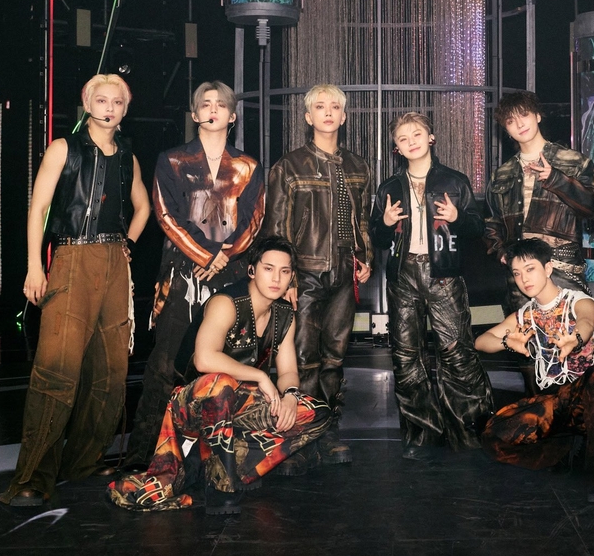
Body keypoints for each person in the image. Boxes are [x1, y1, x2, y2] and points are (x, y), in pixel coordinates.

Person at [0, 74, 151, 507]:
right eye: (101, 100)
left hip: (114, 264)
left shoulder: (128, 157)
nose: (109, 108)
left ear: (125, 109)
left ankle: (84, 460)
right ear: (87, 104)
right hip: (71, 258)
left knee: (110, 371)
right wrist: (35, 266)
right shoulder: (63, 148)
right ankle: (32, 476)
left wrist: (128, 244)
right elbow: (38, 209)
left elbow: (142, 207)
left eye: (117, 102)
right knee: (57, 368)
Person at [108, 236, 331, 514]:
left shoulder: (284, 314)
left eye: (285, 271)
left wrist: (290, 396)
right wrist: (261, 377)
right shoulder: (227, 302)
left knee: (316, 411)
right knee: (221, 383)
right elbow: (204, 359)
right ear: (252, 270)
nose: (276, 278)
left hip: (238, 405)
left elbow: (287, 371)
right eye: (268, 268)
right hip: (192, 407)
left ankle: (230, 465)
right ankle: (220, 485)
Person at [122, 81, 265, 471]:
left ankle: (219, 460)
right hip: (182, 273)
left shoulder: (249, 166)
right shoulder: (171, 160)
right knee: (165, 365)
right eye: (206, 103)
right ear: (195, 113)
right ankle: (143, 460)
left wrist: (223, 255)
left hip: (232, 274)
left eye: (221, 104)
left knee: (228, 364)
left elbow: (254, 220)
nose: (213, 109)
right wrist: (205, 254)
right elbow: (166, 214)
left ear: (233, 116)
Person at [369, 112, 494, 459]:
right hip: (403, 276)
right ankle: (422, 436)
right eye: (403, 138)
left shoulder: (455, 181)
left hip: (444, 275)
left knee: (458, 353)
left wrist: (458, 218)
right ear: (396, 148)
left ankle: (469, 432)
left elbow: (478, 228)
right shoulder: (389, 188)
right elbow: (377, 238)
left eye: (417, 134)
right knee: (406, 357)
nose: (411, 141)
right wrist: (385, 223)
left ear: (431, 138)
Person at [262, 83, 372, 468]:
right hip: (305, 271)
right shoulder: (288, 166)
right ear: (308, 117)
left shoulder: (358, 166)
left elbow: (362, 221)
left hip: (344, 270)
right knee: (302, 356)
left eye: (335, 107)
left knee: (335, 357)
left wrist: (365, 257)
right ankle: (298, 435)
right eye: (320, 107)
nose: (328, 112)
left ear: (344, 116)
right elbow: (276, 227)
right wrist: (287, 278)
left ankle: (327, 430)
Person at [477, 239, 594, 502]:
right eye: (517, 273)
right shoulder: (526, 315)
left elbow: (588, 319)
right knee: (493, 437)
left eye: (530, 269)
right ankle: (564, 450)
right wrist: (507, 342)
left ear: (548, 268)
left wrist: (575, 339)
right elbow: (481, 341)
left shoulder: (578, 300)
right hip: (557, 403)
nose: (523, 279)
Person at [485, 91, 594, 310]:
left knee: (570, 326)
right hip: (520, 274)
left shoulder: (573, 161)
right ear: (506, 129)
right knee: (524, 329)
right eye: (510, 121)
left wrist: (556, 179)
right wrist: (502, 252)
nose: (520, 124)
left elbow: (593, 207)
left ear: (538, 116)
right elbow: (492, 222)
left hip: (561, 267)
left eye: (524, 115)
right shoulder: (502, 173)